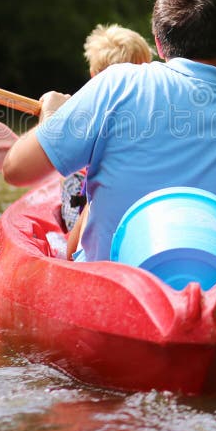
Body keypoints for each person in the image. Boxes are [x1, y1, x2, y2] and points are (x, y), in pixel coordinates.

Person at [2, 0, 216, 263]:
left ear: (159, 43)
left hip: (113, 287)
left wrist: (53, 116)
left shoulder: (115, 84)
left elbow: (16, 170)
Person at [60, 24, 153, 257]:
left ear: (94, 76)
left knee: (73, 181)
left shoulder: (88, 114)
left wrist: (51, 119)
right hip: (142, 212)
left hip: (97, 206)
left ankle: (70, 255)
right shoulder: (154, 111)